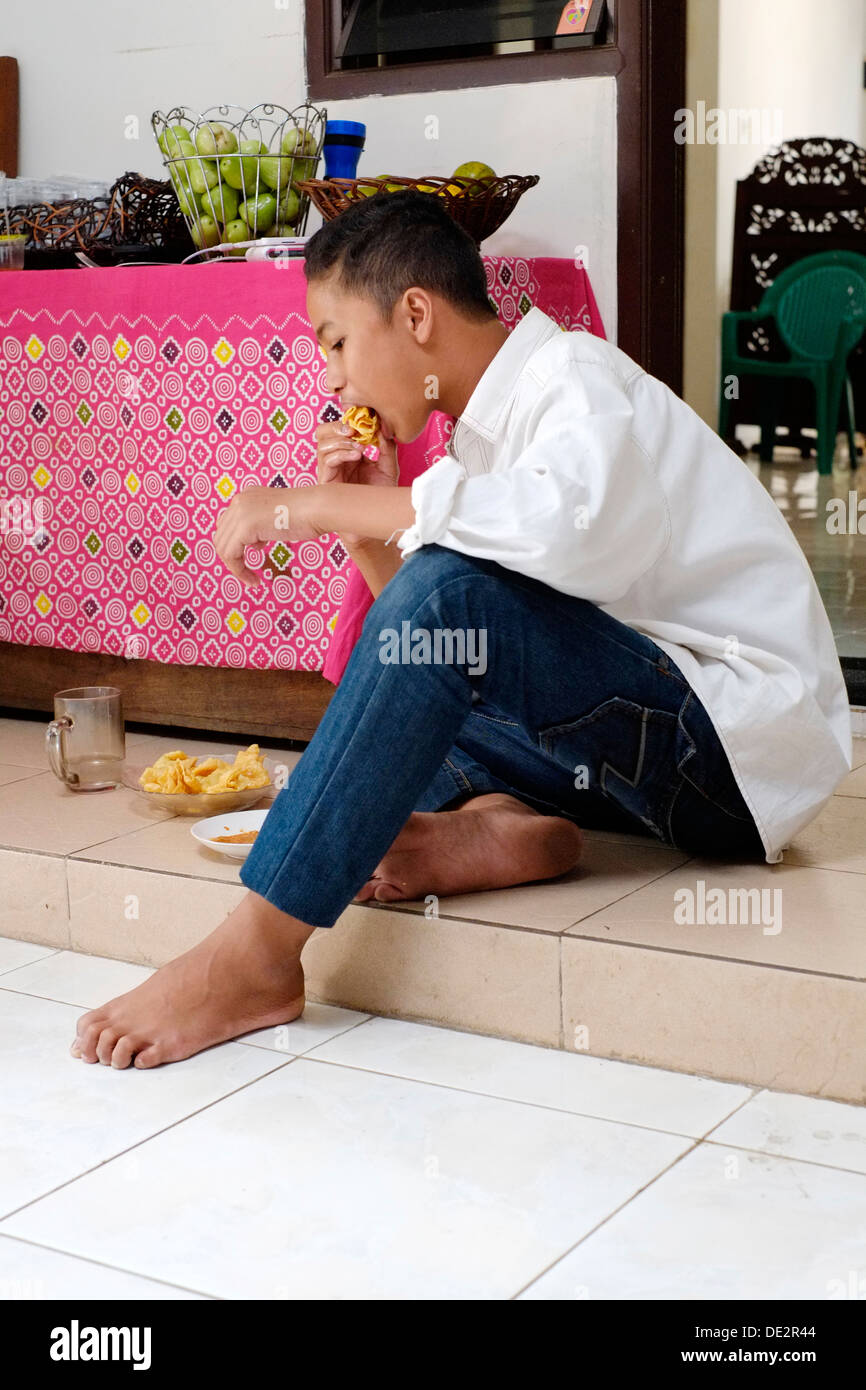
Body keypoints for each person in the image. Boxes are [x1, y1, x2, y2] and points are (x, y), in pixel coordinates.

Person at [69, 191, 852, 1070]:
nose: (331, 378)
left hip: (735, 756)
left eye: (335, 341)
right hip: (643, 757)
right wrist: (371, 535)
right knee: (407, 692)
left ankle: (253, 955)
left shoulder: (577, 382)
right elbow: (454, 653)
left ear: (414, 314)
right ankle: (506, 823)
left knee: (445, 601)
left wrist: (314, 504)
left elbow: (560, 540)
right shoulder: (485, 440)